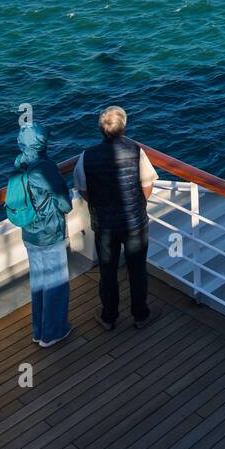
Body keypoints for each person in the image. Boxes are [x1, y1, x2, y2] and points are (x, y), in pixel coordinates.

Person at [72, 106, 160, 330]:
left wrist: (99, 203)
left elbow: (82, 189)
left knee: (108, 271)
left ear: (101, 129)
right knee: (137, 270)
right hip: (134, 222)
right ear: (123, 128)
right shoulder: (136, 150)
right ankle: (140, 315)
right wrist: (138, 205)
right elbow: (147, 185)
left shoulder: (86, 156)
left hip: (105, 225)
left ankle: (109, 316)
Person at [11, 123, 73, 348]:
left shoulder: (19, 163)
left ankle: (38, 330)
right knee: (56, 283)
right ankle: (53, 333)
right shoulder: (44, 168)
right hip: (49, 233)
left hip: (29, 233)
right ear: (41, 143)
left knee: (38, 282)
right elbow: (64, 203)